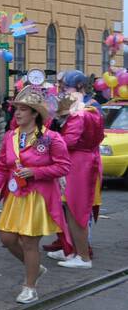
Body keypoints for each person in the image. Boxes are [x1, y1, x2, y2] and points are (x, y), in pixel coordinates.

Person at [0, 85, 71, 303]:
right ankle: (35, 267)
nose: (18, 113)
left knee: (30, 242)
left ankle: (30, 286)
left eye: (24, 109)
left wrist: (36, 172)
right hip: (15, 196)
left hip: (38, 197)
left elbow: (63, 167)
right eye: (17, 109)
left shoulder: (51, 138)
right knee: (6, 238)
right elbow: (1, 167)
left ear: (35, 113)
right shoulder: (9, 137)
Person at [45, 91, 103, 268]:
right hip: (83, 163)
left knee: (75, 211)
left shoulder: (78, 118)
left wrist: (47, 140)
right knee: (72, 211)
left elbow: (67, 141)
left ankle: (83, 257)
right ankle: (74, 251)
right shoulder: (89, 113)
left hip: (79, 166)